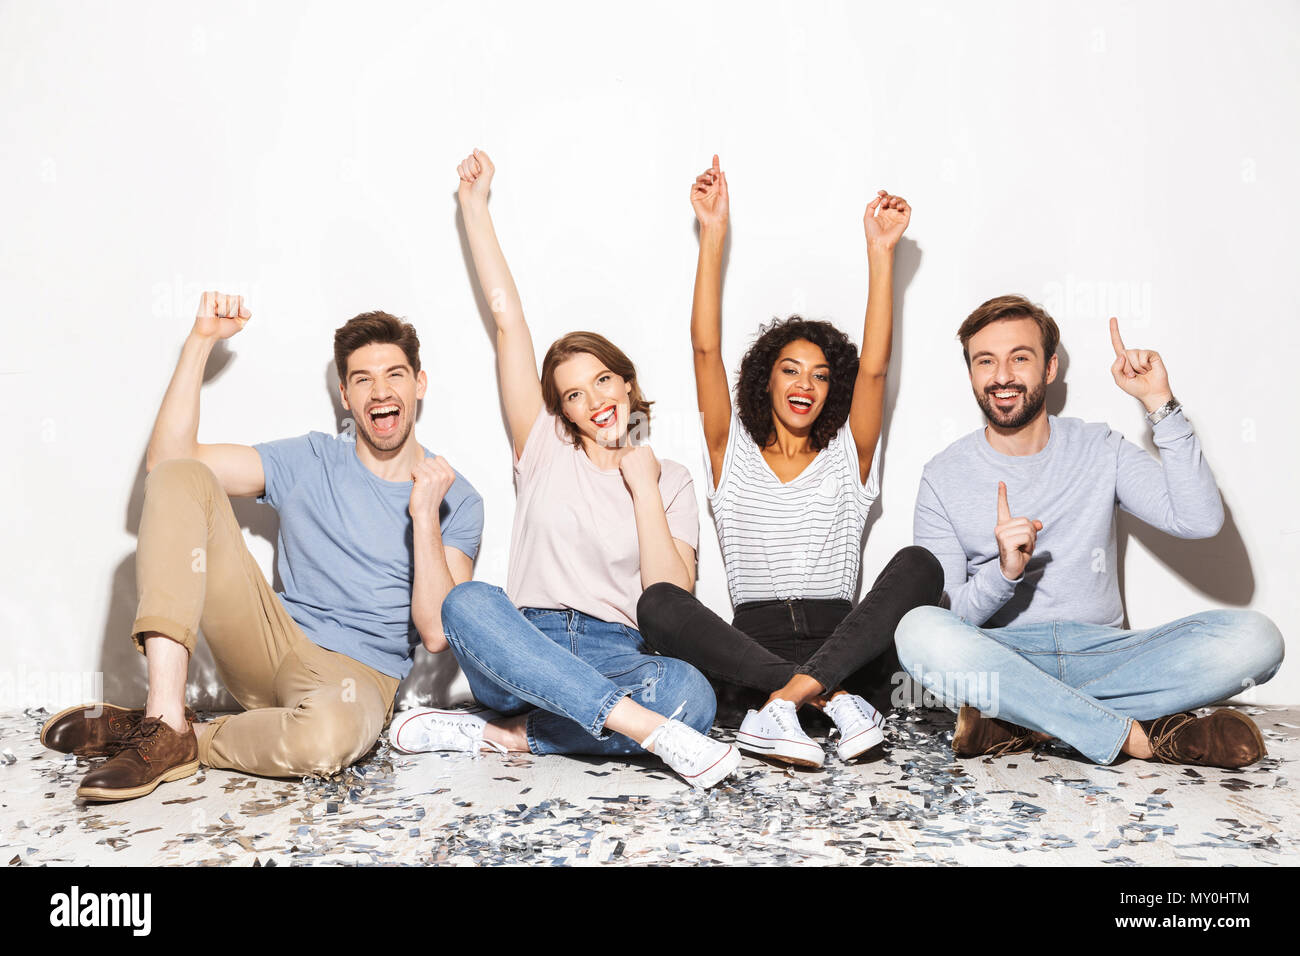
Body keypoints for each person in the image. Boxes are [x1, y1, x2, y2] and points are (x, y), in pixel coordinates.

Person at [388, 150, 739, 790]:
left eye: (603, 379)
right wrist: (474, 207)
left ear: (628, 383)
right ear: (563, 410)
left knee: (696, 696)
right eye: (575, 394)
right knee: (467, 601)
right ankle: (639, 731)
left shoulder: (673, 478)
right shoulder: (546, 445)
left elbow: (669, 597)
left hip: (617, 652)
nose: (595, 399)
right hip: (523, 644)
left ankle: (503, 735)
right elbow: (507, 322)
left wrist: (642, 482)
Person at [40, 298, 483, 801]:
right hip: (269, 639)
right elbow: (167, 461)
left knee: (324, 743)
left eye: (394, 375)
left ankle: (183, 740)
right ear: (345, 394)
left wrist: (424, 511)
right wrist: (200, 342)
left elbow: (435, 632)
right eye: (362, 379)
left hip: (357, 677)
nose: (380, 391)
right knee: (181, 475)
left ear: (418, 384)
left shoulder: (458, 498)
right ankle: (162, 716)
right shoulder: (311, 458)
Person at [636, 156, 944, 769]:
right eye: (791, 370)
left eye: (822, 375)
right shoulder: (732, 451)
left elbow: (877, 369)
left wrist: (881, 254)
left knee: (919, 564)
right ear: (766, 381)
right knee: (658, 604)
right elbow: (704, 349)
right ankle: (825, 703)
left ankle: (794, 703)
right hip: (752, 653)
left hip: (846, 646)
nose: (806, 384)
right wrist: (713, 234)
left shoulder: (846, 457)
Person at [894, 295, 1285, 768]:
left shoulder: (1101, 447)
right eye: (986, 361)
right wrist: (1004, 573)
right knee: (916, 629)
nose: (1002, 376)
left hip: (1108, 654)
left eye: (1020, 358)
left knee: (1259, 639)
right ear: (972, 372)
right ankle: (1139, 737)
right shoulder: (943, 475)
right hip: (1006, 657)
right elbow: (949, 618)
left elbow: (1199, 520)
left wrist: (1158, 402)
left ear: (1050, 367)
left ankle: (1023, 722)